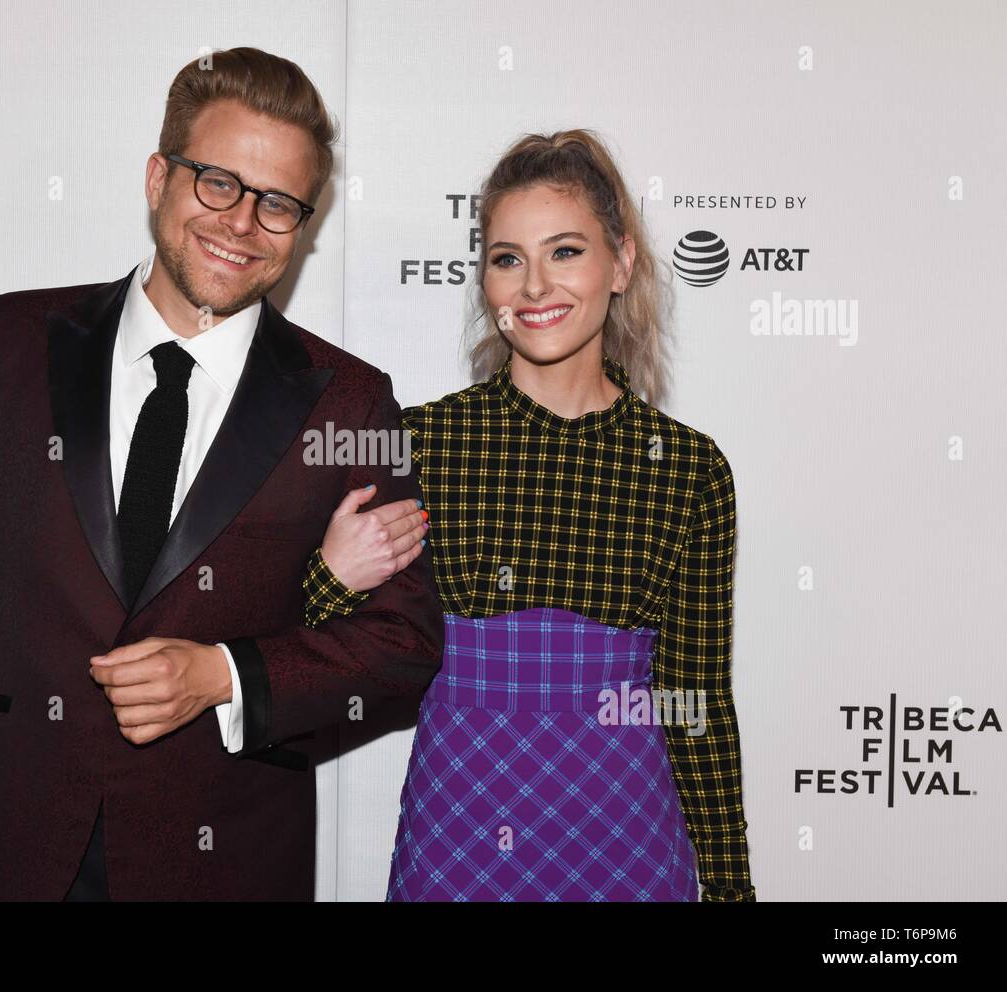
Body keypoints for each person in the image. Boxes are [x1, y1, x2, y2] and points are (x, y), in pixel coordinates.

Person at [0, 47, 444, 901]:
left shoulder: (350, 404)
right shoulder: (15, 340)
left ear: (304, 223)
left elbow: (403, 645)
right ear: (158, 178)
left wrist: (225, 675)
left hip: (225, 852)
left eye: (278, 204)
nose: (241, 223)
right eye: (217, 181)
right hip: (12, 830)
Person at [308, 129, 756, 901]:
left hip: (630, 849)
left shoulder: (687, 469)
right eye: (508, 258)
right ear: (484, 279)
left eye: (566, 252)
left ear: (621, 264)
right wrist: (328, 576)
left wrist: (729, 887)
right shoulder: (423, 446)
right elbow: (325, 655)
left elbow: (696, 702)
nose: (534, 286)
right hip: (459, 845)